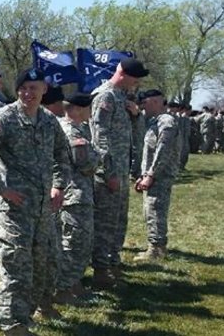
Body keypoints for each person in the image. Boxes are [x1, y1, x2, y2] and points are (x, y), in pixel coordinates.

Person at [0, 68, 72, 331]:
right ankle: (12, 323)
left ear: (44, 90)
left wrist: (59, 186)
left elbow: (63, 155)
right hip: (13, 208)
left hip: (42, 209)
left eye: (34, 88)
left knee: (43, 265)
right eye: (23, 88)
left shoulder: (49, 120)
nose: (28, 93)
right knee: (16, 265)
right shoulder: (4, 118)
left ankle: (27, 313)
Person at [90, 58, 148, 288]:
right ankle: (101, 270)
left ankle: (113, 263)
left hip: (121, 169)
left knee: (118, 221)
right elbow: (99, 137)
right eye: (135, 77)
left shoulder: (122, 98)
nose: (137, 82)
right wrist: (108, 171)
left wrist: (136, 115)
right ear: (123, 74)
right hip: (109, 173)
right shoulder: (105, 96)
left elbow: (137, 135)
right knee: (105, 222)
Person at [53, 93, 100, 304]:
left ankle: (73, 284)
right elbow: (86, 164)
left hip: (73, 194)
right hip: (74, 196)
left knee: (76, 243)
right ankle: (63, 290)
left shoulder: (71, 128)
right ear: (79, 109)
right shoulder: (72, 132)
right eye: (89, 108)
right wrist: (97, 156)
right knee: (74, 244)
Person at [133, 90, 179, 262]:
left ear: (154, 102)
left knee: (155, 210)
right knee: (150, 210)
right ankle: (156, 246)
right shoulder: (155, 122)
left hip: (160, 175)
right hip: (153, 174)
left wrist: (151, 175)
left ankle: (157, 249)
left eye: (145, 104)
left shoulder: (166, 122)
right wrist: (144, 174)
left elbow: (163, 151)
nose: (143, 108)